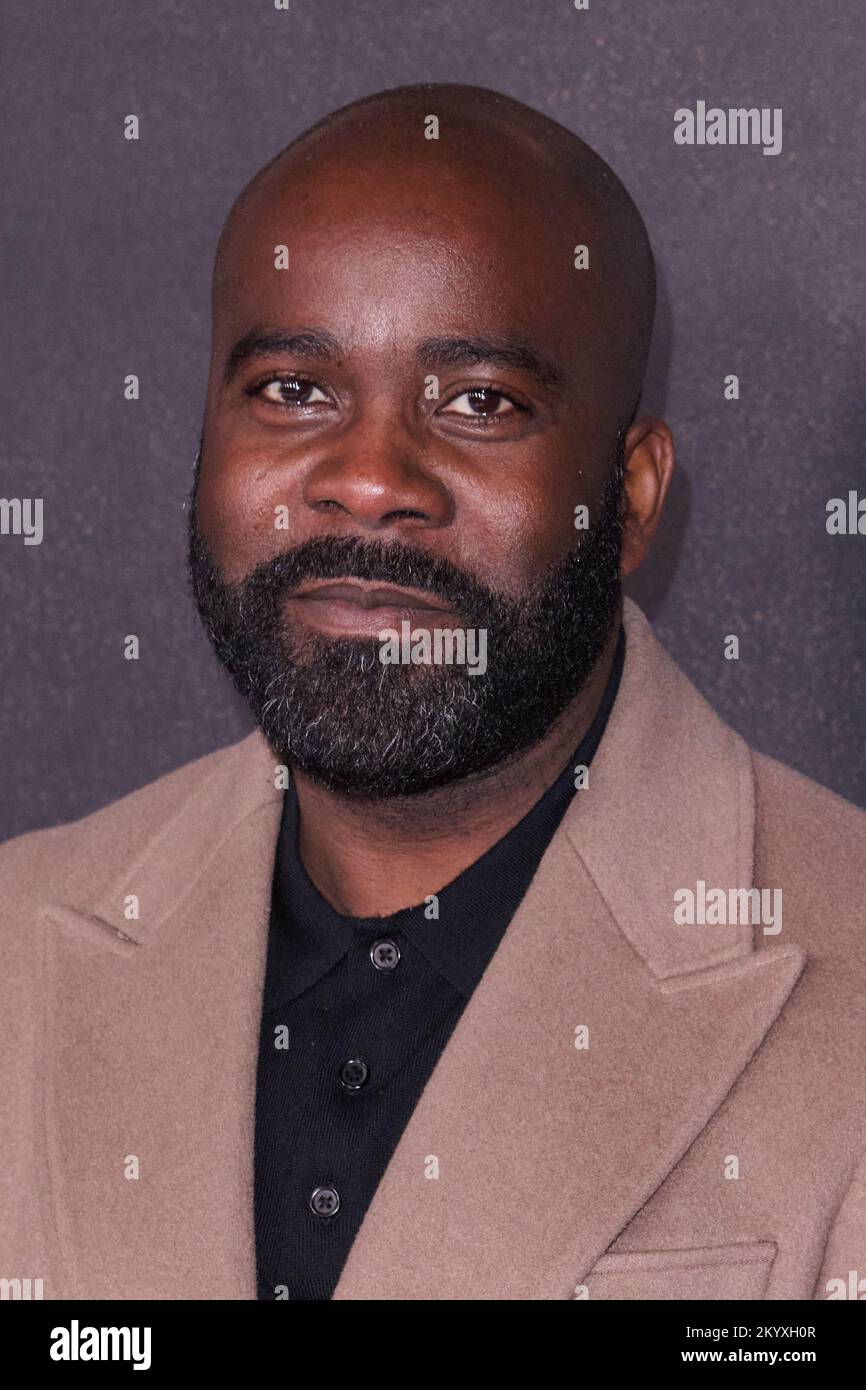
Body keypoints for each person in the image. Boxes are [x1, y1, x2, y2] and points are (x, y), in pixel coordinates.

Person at [1, 83, 864, 1302]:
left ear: (627, 495)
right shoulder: (18, 951)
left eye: (479, 404)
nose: (365, 480)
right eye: (293, 390)